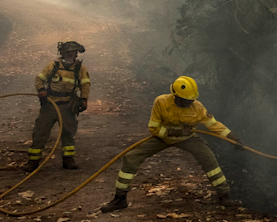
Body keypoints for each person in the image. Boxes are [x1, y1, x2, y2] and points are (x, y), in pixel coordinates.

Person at [100, 76, 244, 212]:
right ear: (175, 95)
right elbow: (154, 128)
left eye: (192, 100)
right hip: (162, 138)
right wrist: (175, 133)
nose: (190, 103)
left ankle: (224, 196)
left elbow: (213, 125)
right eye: (186, 100)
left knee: (208, 157)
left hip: (188, 139)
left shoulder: (197, 107)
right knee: (131, 157)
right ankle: (120, 198)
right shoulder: (161, 102)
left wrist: (232, 137)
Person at [26, 41, 90, 171]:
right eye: (67, 52)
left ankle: (68, 160)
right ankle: (33, 161)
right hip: (50, 105)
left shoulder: (80, 69)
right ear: (62, 53)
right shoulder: (53, 65)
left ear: (76, 53)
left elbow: (85, 84)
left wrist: (84, 99)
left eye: (72, 52)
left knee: (68, 133)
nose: (70, 54)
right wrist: (41, 90)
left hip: (68, 106)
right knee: (40, 132)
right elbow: (39, 79)